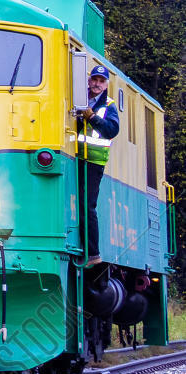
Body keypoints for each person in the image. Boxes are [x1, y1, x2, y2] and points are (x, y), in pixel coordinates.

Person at [77, 64, 120, 265]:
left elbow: (111, 130)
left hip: (94, 161)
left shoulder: (109, 105)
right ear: (88, 80)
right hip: (75, 157)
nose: (96, 84)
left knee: (88, 206)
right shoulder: (77, 98)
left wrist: (92, 117)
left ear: (106, 85)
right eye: (94, 79)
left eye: (101, 81)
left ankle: (93, 254)